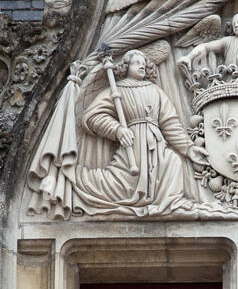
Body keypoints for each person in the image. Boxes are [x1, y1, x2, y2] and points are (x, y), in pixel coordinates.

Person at [74, 50, 196, 215]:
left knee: (173, 161)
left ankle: (171, 201)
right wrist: (117, 130)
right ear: (126, 67)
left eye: (144, 64)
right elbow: (93, 116)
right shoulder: (117, 90)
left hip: (156, 145)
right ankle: (76, 178)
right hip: (133, 144)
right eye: (136, 63)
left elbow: (170, 122)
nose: (141, 66)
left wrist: (188, 148)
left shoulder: (155, 91)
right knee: (123, 182)